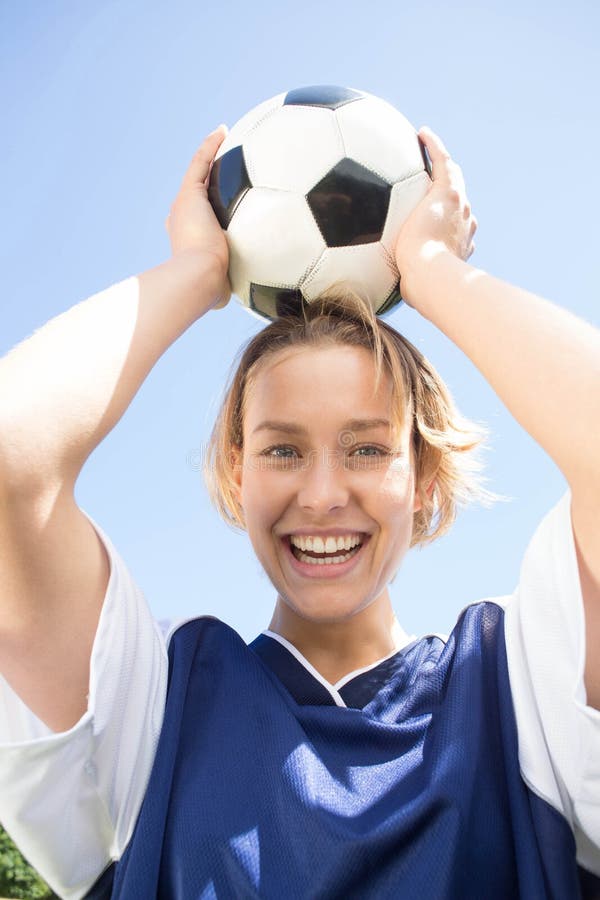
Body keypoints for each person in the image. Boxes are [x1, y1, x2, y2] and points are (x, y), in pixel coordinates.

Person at [0, 124, 599, 900]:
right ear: (236, 473)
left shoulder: (521, 694)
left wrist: (432, 268)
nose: (321, 495)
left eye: (366, 448)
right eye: (283, 450)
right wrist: (196, 272)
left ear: (423, 476)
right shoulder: (155, 707)